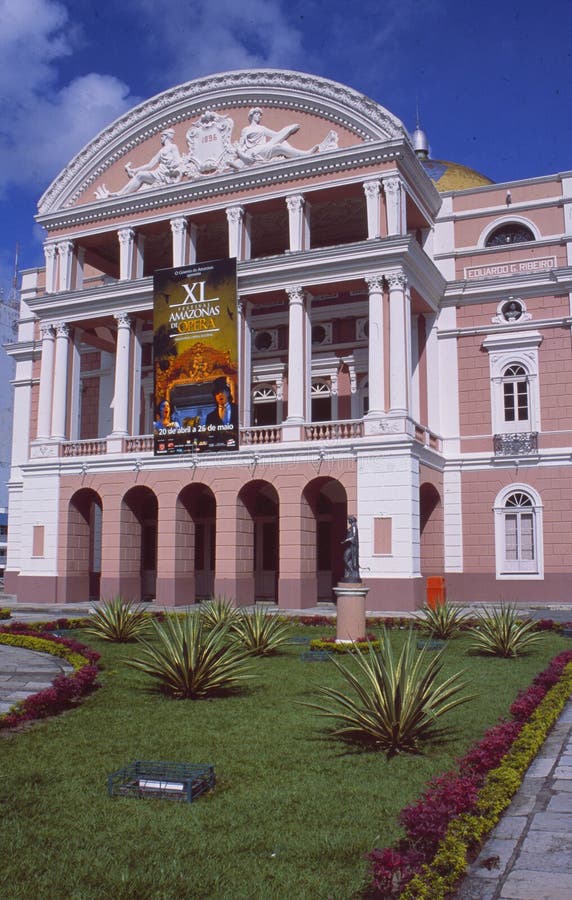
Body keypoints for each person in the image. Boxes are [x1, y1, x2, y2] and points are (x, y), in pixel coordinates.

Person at [96, 130, 182, 198]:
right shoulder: (161, 151)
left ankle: (120, 194)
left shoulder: (173, 147)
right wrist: (135, 170)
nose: (161, 138)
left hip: (165, 174)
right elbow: (150, 165)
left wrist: (172, 167)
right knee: (139, 174)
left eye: (162, 136)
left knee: (140, 175)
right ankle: (120, 194)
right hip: (158, 173)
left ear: (166, 136)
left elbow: (178, 161)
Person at [235, 108, 319, 165]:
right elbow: (239, 147)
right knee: (278, 146)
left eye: (260, 115)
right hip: (253, 152)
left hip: (263, 149)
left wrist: (288, 130)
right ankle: (304, 154)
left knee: (283, 142)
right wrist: (245, 157)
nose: (259, 116)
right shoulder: (246, 129)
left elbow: (276, 135)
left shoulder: (262, 128)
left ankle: (297, 153)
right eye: (257, 114)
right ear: (251, 115)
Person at [341, 516, 361, 583]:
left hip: (353, 546)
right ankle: (350, 572)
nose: (348, 521)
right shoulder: (352, 527)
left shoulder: (354, 526)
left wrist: (346, 540)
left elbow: (354, 536)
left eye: (349, 520)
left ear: (351, 520)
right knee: (346, 558)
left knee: (346, 558)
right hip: (349, 546)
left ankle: (352, 572)